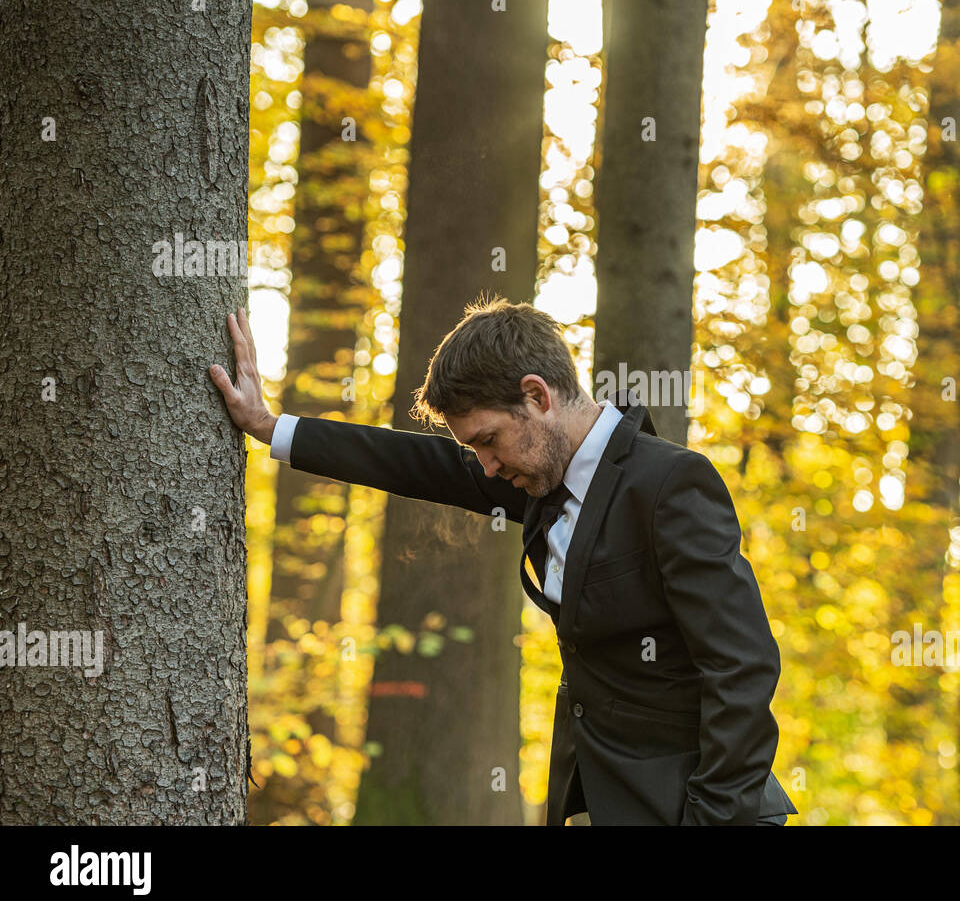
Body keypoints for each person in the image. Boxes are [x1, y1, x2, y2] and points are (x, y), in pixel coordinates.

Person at [210, 296, 797, 825]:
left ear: (538, 396)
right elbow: (415, 463)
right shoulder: (540, 478)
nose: (485, 465)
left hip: (705, 810)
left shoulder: (669, 485)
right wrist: (269, 427)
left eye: (488, 440)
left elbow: (741, 667)